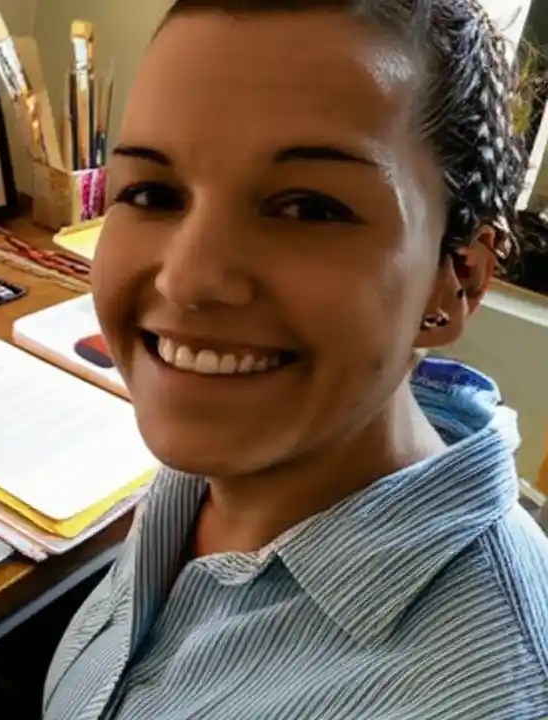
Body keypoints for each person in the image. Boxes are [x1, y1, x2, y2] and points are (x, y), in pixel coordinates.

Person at [44, 1, 548, 718]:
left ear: (456, 279)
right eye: (152, 193)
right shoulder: (226, 465)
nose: (188, 279)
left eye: (310, 209)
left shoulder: (482, 696)